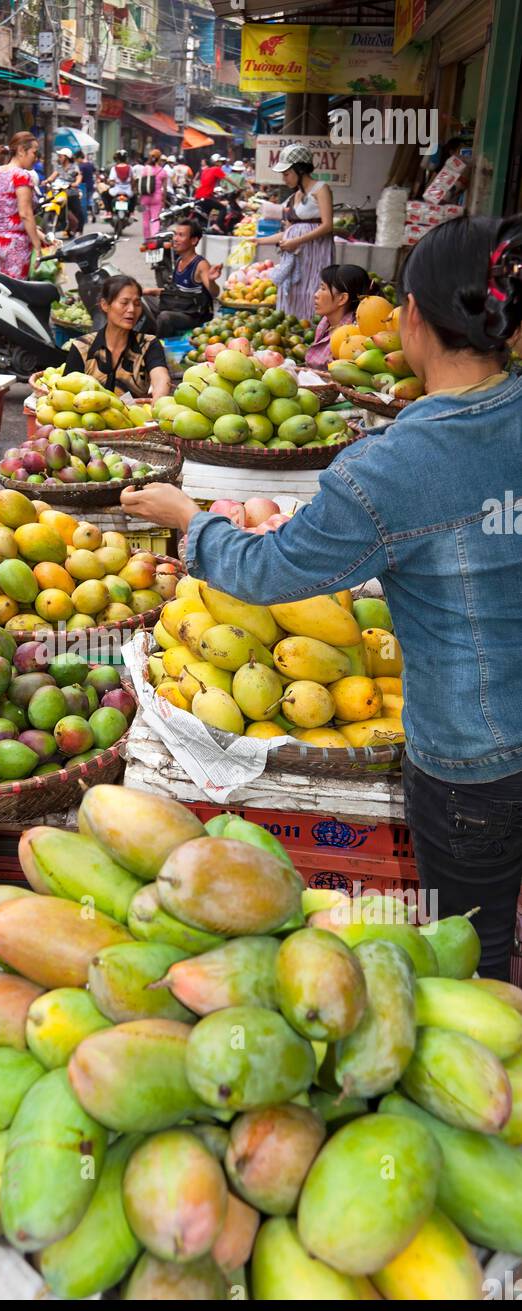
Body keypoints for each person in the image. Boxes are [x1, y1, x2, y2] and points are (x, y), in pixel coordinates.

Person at [123, 215, 522, 981]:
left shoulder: (397, 465)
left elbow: (273, 571)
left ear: (409, 317)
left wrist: (190, 523)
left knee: (472, 952)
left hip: (473, 760)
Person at [256, 143, 334, 321]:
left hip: (316, 253)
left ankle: (311, 332)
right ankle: (292, 332)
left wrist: (296, 241)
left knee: (312, 291)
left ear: (300, 170)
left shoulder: (321, 189)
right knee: (293, 293)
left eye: (286, 173)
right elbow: (289, 232)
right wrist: (259, 241)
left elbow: (327, 225)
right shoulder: (294, 196)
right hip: (297, 255)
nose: (284, 179)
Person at [65, 274, 171, 400]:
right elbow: (67, 391)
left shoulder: (148, 344)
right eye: (124, 303)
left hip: (134, 417)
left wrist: (159, 398)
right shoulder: (82, 347)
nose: (132, 309)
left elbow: (161, 377)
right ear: (105, 305)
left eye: (137, 303)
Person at [143, 218, 221, 336]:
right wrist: (149, 291)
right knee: (140, 298)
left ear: (194, 240)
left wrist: (211, 280)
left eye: (181, 235)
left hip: (193, 315)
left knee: (165, 317)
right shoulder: (179, 261)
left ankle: (158, 345)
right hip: (178, 305)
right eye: (175, 234)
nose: (175, 239)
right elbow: (175, 293)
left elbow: (214, 293)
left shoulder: (201, 265)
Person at [0, 130, 44, 278]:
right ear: (21, 151)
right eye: (34, 153)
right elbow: (25, 214)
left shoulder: (1, 171)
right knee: (17, 293)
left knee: (6, 289)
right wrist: (38, 247)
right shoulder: (21, 175)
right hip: (15, 245)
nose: (36, 158)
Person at [306, 263, 375, 370]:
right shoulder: (325, 322)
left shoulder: (351, 337)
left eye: (323, 289)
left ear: (342, 298)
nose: (316, 294)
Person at [46, 149, 83, 236]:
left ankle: (79, 229)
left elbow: (79, 176)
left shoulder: (74, 167)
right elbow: (52, 177)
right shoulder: (59, 167)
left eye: (61, 156)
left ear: (66, 157)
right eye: (59, 156)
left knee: (77, 211)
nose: (59, 158)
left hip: (71, 193)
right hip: (60, 192)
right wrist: (46, 181)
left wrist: (76, 183)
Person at [134, 148, 168, 240]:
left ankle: (147, 240)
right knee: (155, 220)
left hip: (145, 198)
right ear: (159, 158)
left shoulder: (145, 169)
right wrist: (163, 200)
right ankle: (154, 240)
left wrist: (139, 198)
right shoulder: (163, 171)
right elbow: (164, 189)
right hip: (157, 198)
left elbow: (140, 183)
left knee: (145, 220)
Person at [105, 149, 135, 217]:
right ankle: (132, 212)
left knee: (105, 194)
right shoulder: (130, 168)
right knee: (134, 197)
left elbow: (111, 182)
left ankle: (108, 212)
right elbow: (133, 180)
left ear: (117, 159)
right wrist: (133, 188)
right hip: (128, 191)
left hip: (116, 191)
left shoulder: (114, 168)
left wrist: (109, 183)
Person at [78, 154, 96, 223]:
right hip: (91, 185)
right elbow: (94, 171)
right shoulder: (90, 164)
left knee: (84, 202)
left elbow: (80, 176)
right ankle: (93, 214)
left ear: (80, 158)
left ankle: (84, 218)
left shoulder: (81, 166)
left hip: (83, 185)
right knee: (90, 201)